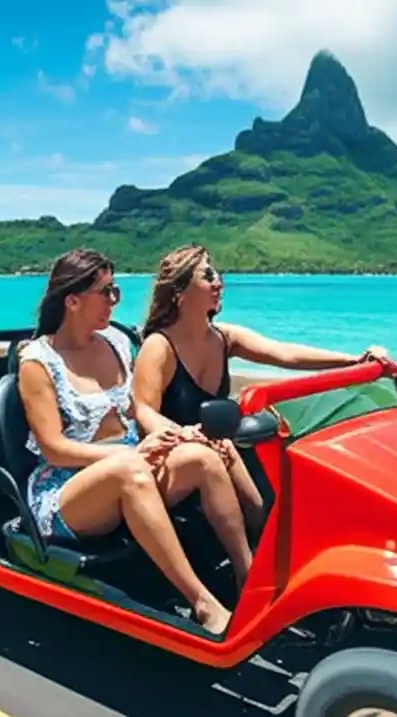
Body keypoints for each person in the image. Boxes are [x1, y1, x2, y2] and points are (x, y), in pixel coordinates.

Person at [16, 248, 251, 634]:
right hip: (67, 488)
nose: (114, 300)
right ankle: (202, 602)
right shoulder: (38, 362)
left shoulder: (116, 343)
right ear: (72, 301)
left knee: (202, 457)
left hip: (131, 464)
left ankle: (248, 577)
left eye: (116, 290)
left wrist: (175, 436)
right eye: (106, 292)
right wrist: (129, 452)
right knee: (128, 467)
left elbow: (139, 409)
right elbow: (54, 448)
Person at [132, 245, 389, 535]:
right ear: (180, 292)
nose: (218, 281)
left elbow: (285, 354)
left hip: (222, 448)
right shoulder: (159, 347)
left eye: (216, 273)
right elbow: (143, 410)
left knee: (289, 495)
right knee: (258, 511)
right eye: (207, 275)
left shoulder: (224, 338)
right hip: (177, 459)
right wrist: (184, 435)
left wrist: (353, 360)